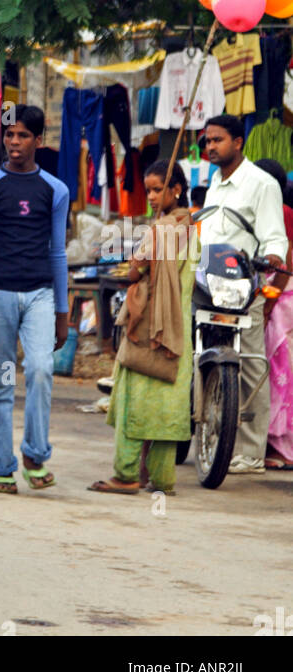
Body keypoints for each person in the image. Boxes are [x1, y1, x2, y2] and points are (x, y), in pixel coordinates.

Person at [0, 105, 69, 493]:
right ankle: (0, 466)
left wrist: (62, 311)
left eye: (23, 135)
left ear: (38, 141)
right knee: (2, 381)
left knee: (41, 368)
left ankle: (35, 454)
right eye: (9, 135)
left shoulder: (55, 190)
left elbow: (58, 252)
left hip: (40, 295)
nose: (14, 142)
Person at [89, 160, 195, 496]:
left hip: (150, 329)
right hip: (178, 332)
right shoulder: (190, 227)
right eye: (148, 189)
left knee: (134, 401)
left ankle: (126, 474)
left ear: (175, 189)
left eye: (157, 189)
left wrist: (137, 259)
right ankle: (160, 479)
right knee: (166, 406)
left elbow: (136, 272)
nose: (150, 196)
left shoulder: (162, 229)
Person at [199, 115, 288, 473]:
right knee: (199, 354)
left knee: (250, 362)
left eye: (217, 140)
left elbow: (275, 236)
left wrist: (273, 257)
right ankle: (202, 435)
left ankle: (250, 452)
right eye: (207, 141)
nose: (210, 147)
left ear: (238, 142)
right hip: (208, 283)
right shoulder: (214, 184)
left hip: (244, 286)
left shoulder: (262, 184)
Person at [252, 158, 293, 469]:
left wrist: (269, 303)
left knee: (276, 370)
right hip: (271, 293)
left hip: (279, 296)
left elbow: (285, 264)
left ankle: (280, 447)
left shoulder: (282, 213)